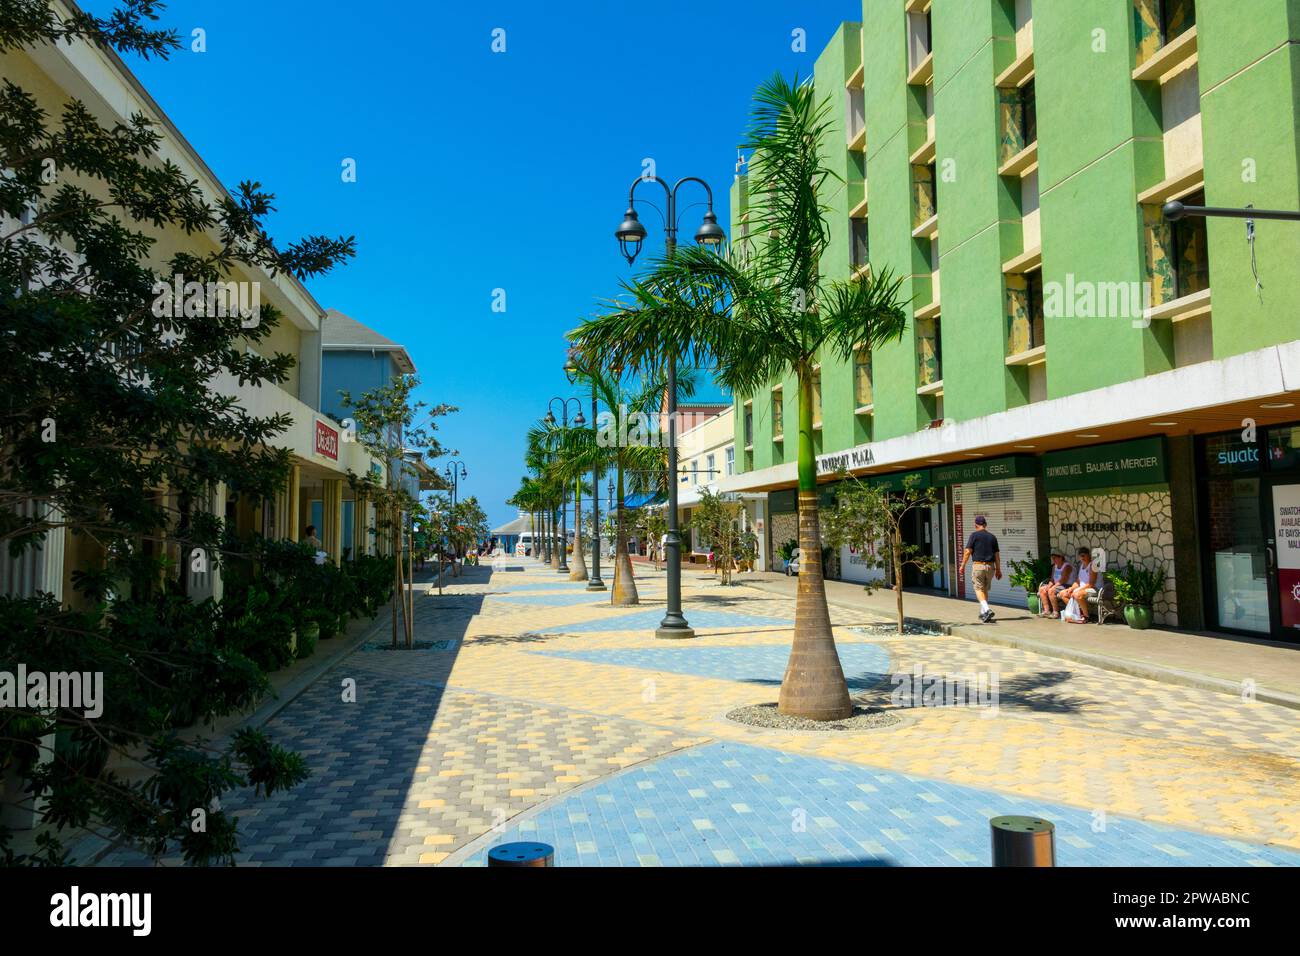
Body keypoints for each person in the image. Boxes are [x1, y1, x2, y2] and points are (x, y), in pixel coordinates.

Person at [960, 515, 1002, 623]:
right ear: (985, 525)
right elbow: (997, 556)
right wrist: (998, 569)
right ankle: (983, 614)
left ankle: (987, 610)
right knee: (985, 589)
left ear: (976, 525)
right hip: (990, 567)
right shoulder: (992, 537)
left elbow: (967, 552)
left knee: (978, 589)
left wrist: (962, 565)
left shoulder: (974, 535)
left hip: (978, 566)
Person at [1058, 547, 1097, 623]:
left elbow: (1091, 584)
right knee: (1063, 593)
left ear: (1089, 555)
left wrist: (1078, 590)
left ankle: (1086, 616)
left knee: (1077, 595)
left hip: (1094, 589)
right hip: (1083, 589)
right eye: (1080, 556)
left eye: (1084, 555)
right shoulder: (1082, 566)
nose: (1082, 558)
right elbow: (1078, 581)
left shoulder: (1093, 566)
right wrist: (1071, 588)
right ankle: (1079, 613)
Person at [1037, 550, 1075, 618]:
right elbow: (1052, 579)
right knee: (1042, 589)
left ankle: (1056, 612)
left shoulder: (1067, 566)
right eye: (1052, 558)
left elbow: (1063, 580)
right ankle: (1046, 611)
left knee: (1051, 590)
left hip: (1067, 585)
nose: (1053, 560)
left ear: (1060, 557)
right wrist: (1048, 586)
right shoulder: (1055, 566)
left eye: (1054, 558)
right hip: (1059, 585)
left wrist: (1052, 587)